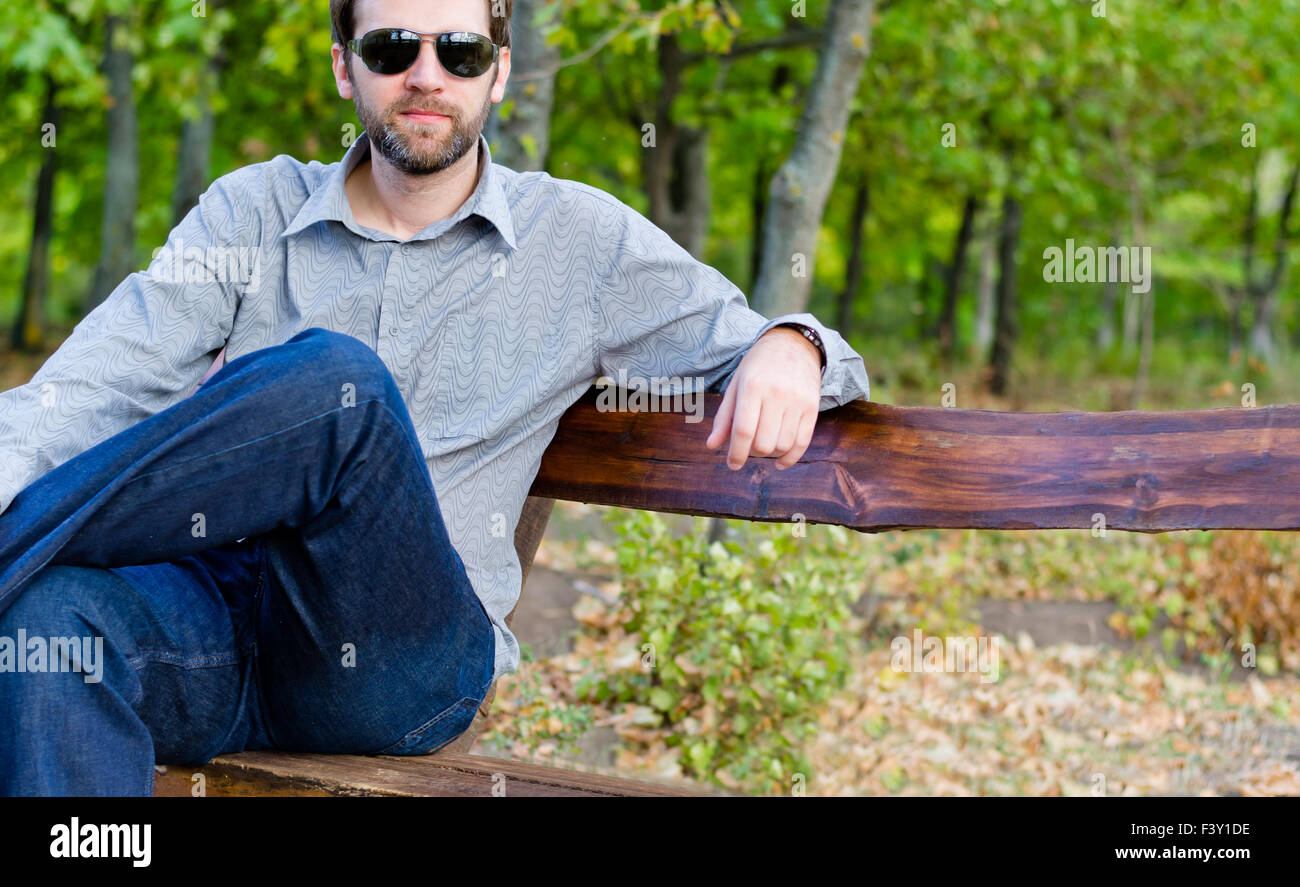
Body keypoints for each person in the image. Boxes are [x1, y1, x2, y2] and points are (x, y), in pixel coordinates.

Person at [0, 0, 870, 795]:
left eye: (458, 51)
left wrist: (792, 345)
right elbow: (86, 391)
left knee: (340, 388)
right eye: (391, 48)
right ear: (346, 68)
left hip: (400, 667)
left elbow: (775, 345)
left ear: (498, 70)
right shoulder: (253, 212)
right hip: (217, 632)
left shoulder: (576, 241)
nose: (426, 75)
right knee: (49, 623)